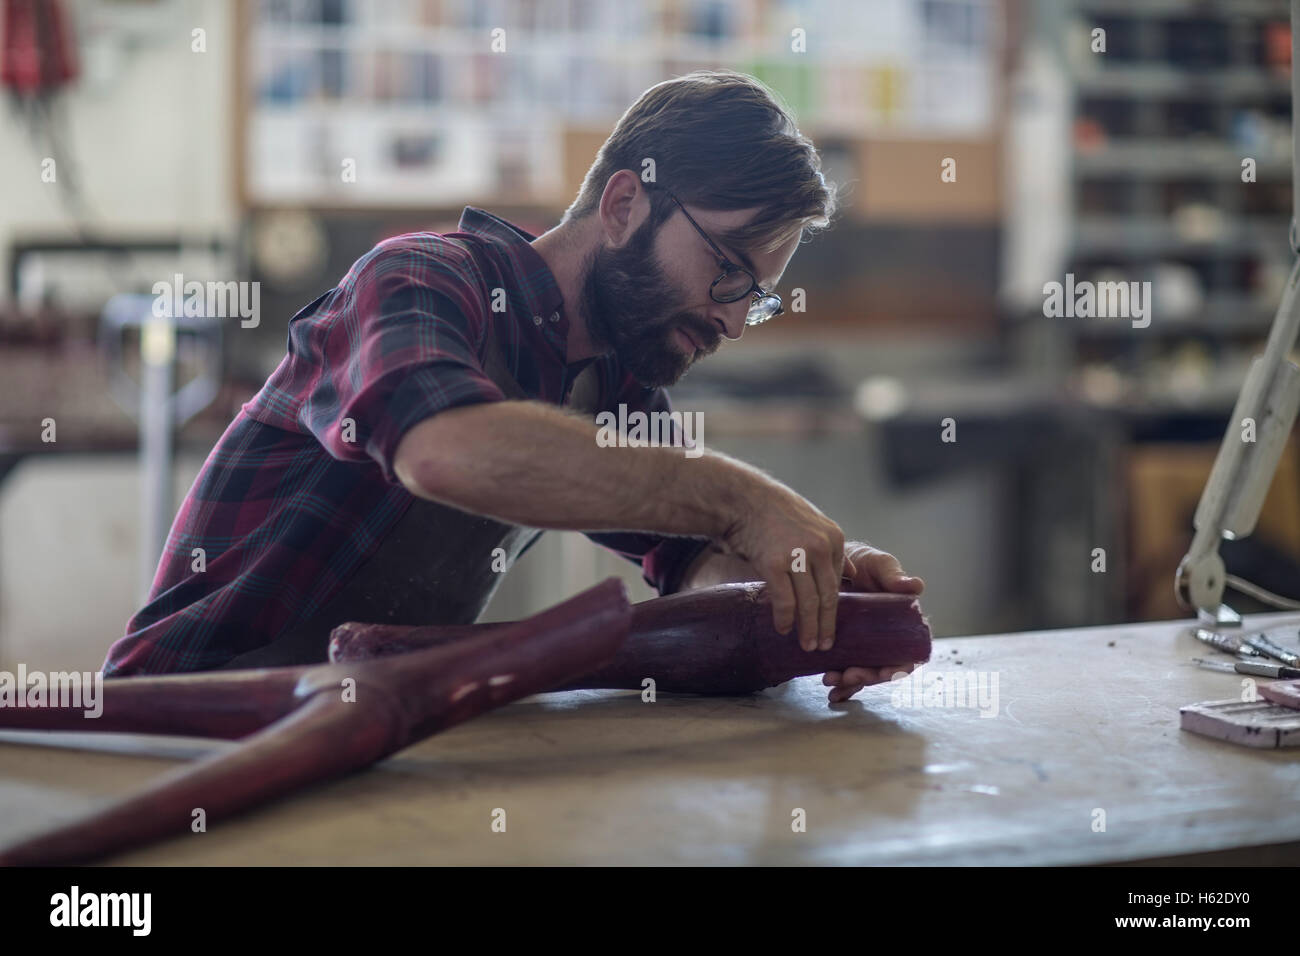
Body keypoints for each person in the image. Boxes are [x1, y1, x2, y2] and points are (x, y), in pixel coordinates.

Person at [104, 70, 925, 703]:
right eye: (727, 271)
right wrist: (746, 501)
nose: (735, 321)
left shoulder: (616, 375)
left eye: (757, 296)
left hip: (352, 724)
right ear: (624, 204)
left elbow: (693, 560)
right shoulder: (421, 279)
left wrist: (819, 597)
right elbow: (446, 448)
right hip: (178, 720)